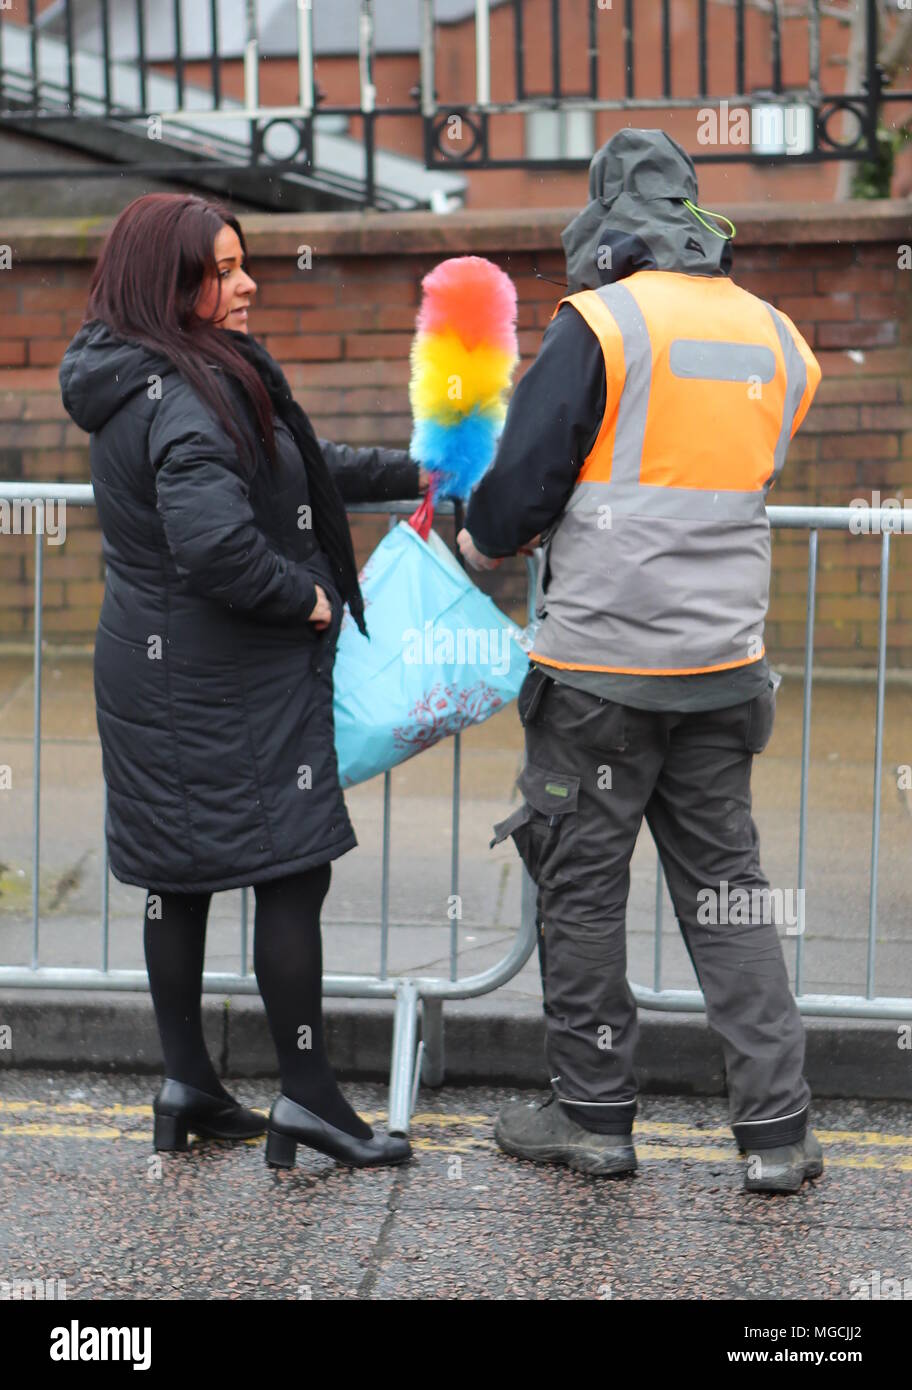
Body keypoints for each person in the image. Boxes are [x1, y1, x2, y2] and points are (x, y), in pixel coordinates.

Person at [457, 129, 822, 1195]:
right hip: (721, 664)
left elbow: (524, 485)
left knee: (580, 888)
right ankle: (777, 1132)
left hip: (601, 673)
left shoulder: (602, 322)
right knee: (730, 893)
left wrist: (483, 541)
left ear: (606, 215)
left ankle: (594, 1118)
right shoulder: (777, 335)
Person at [59, 192, 427, 1170]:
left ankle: (189, 1083)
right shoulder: (186, 393)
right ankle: (307, 1098)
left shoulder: (151, 371)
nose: (249, 281)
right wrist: (306, 600)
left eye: (243, 261)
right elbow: (216, 541)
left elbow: (296, 468)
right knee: (291, 873)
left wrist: (416, 472)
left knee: (176, 883)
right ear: (171, 285)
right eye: (224, 269)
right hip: (222, 678)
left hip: (157, 670)